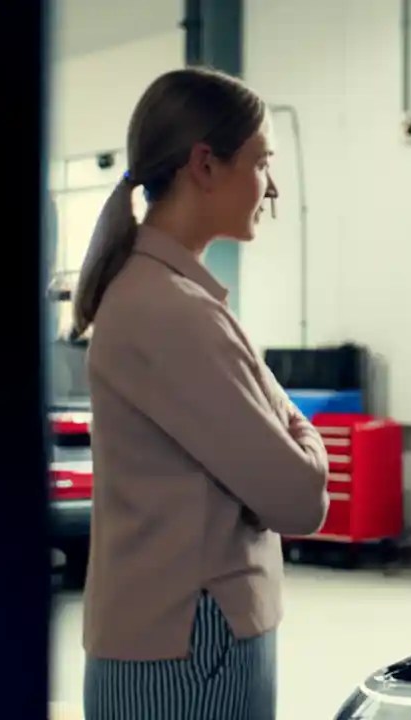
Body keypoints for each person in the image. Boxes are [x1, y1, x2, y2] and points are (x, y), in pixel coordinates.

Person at [72, 67, 330, 719]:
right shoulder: (170, 311)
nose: (271, 187)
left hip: (180, 634)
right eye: (262, 161)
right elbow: (299, 498)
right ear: (205, 165)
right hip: (193, 641)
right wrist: (304, 436)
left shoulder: (166, 298)